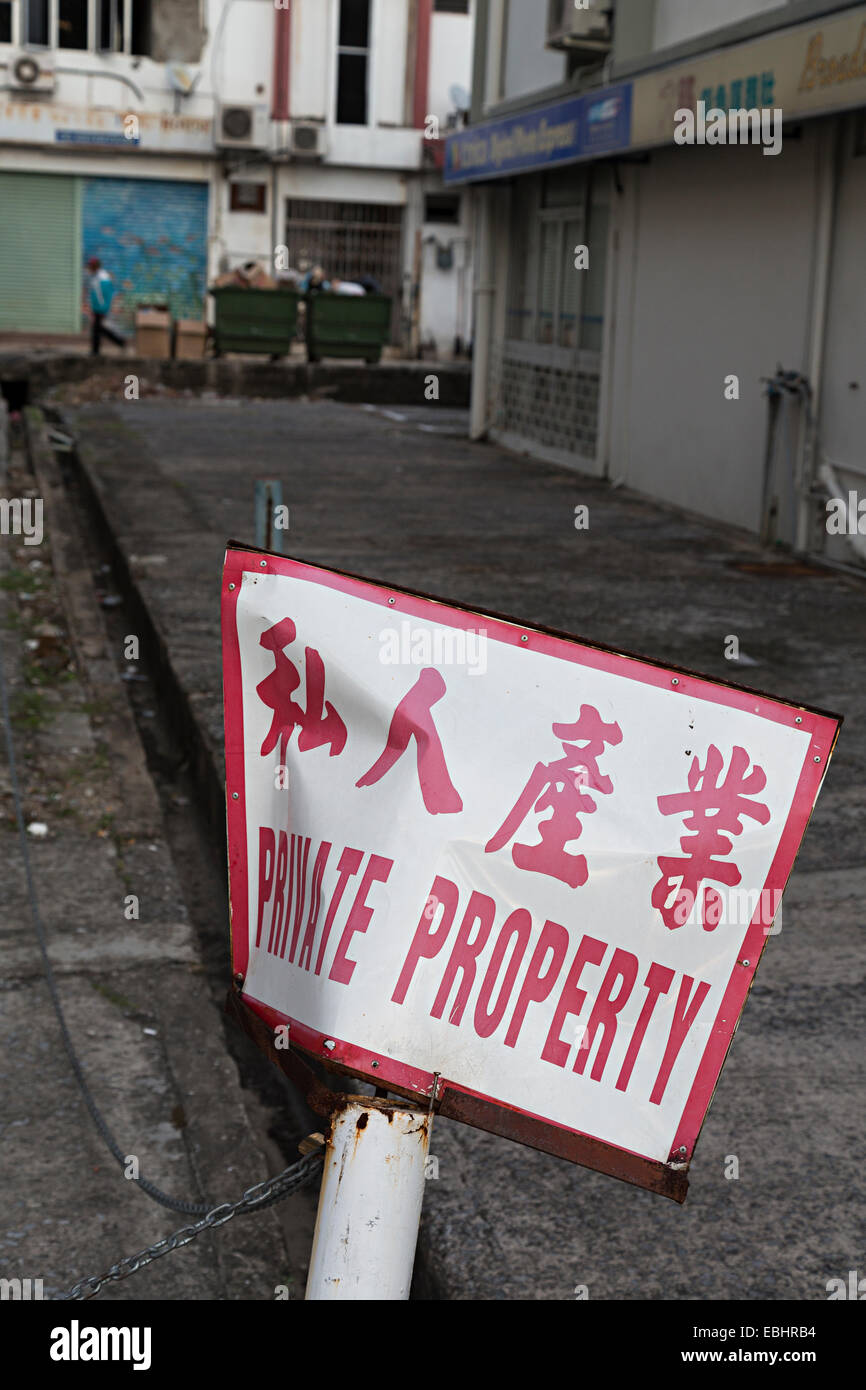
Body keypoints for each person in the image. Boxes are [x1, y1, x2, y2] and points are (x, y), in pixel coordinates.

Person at [86, 257, 126, 355]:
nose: (89, 268)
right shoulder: (95, 276)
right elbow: (95, 294)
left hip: (101, 308)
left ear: (95, 266)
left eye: (90, 266)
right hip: (98, 307)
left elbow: (106, 294)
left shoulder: (102, 277)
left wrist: (103, 308)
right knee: (99, 329)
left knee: (97, 329)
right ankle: (119, 342)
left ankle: (96, 351)